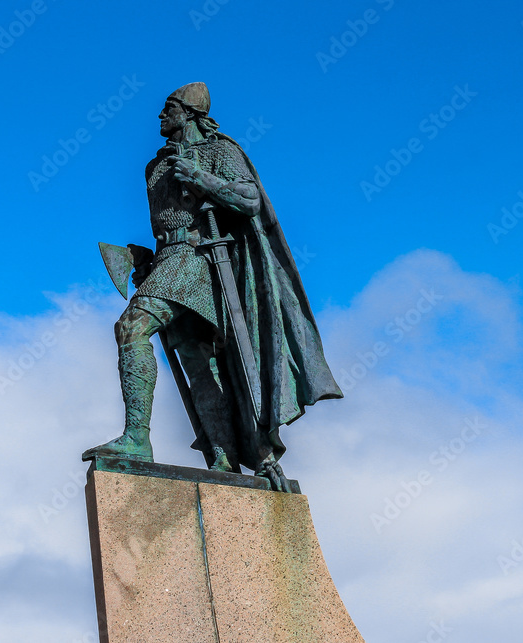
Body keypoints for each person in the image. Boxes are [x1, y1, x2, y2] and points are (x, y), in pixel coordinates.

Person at [82, 82, 342, 490]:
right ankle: (223, 456)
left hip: (202, 259)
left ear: (190, 112)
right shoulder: (154, 168)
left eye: (169, 108)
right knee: (198, 364)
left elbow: (249, 199)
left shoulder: (220, 151)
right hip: (168, 260)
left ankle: (137, 438)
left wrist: (201, 178)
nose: (161, 115)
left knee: (131, 327)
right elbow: (170, 221)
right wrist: (149, 260)